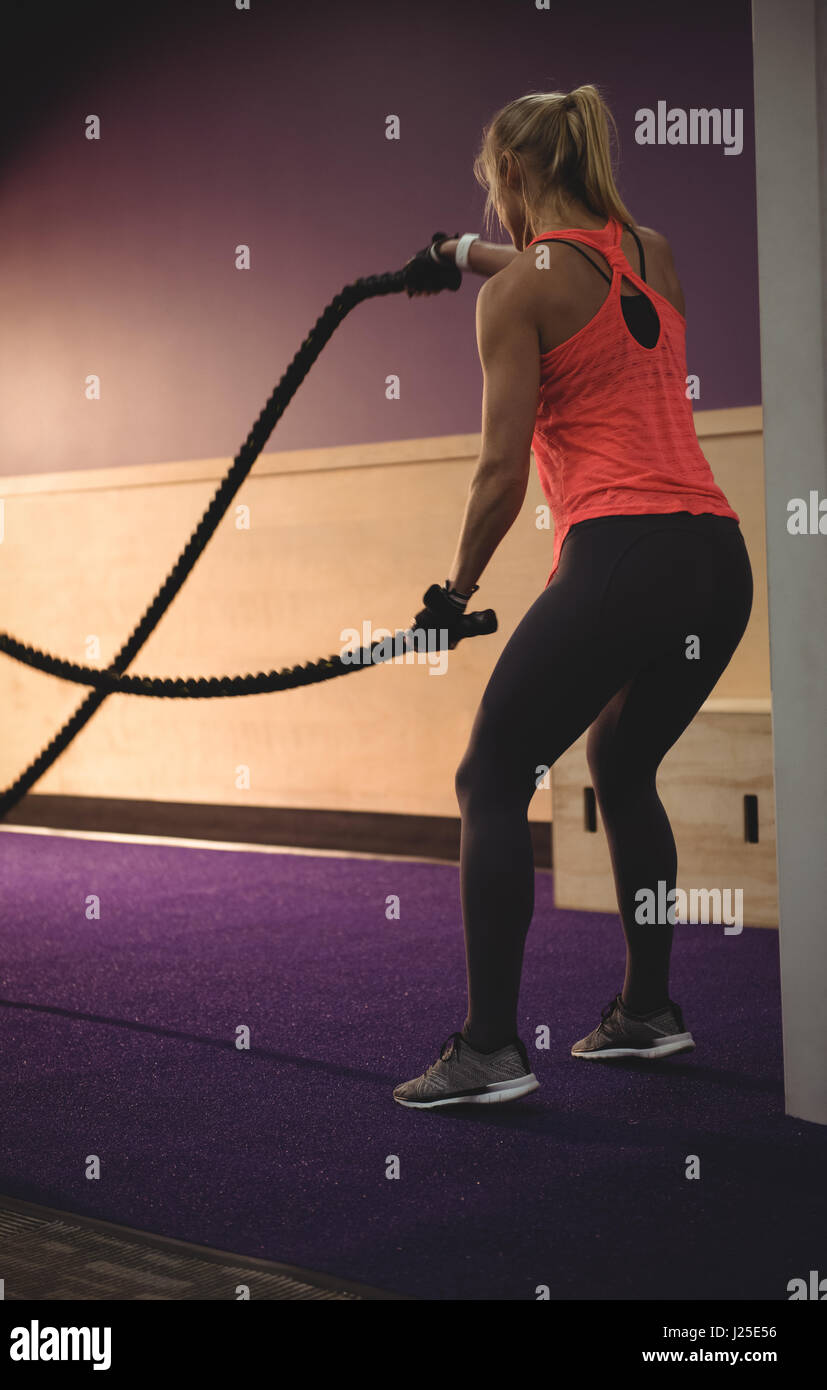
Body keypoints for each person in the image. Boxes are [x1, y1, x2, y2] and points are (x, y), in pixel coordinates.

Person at [393, 85, 753, 1109]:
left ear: (510, 173)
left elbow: (501, 474)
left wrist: (450, 589)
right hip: (714, 560)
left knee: (494, 771)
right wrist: (464, 253)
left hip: (622, 551)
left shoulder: (516, 300)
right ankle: (648, 1013)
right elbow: (578, 278)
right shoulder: (652, 250)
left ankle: (491, 1048)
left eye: (490, 188)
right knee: (620, 758)